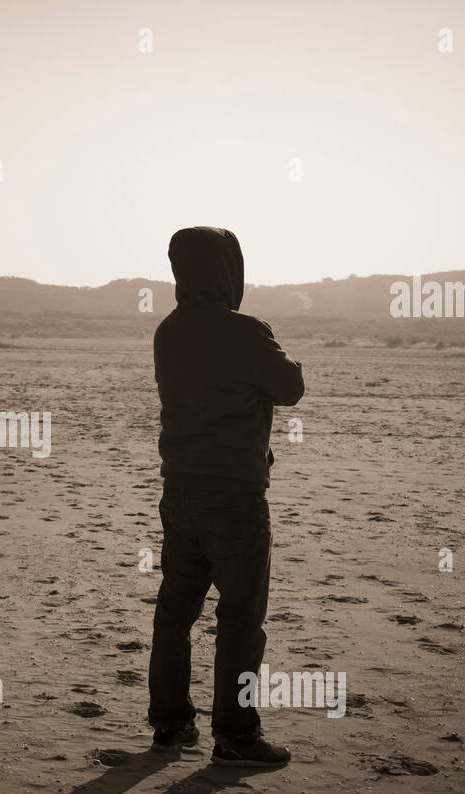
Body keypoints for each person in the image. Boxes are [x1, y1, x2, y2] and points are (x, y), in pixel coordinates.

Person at [148, 226, 304, 766]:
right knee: (239, 621)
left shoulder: (168, 331)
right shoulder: (243, 331)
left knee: (174, 613)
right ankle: (236, 737)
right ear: (227, 270)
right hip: (235, 497)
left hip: (180, 491)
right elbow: (290, 388)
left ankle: (170, 726)